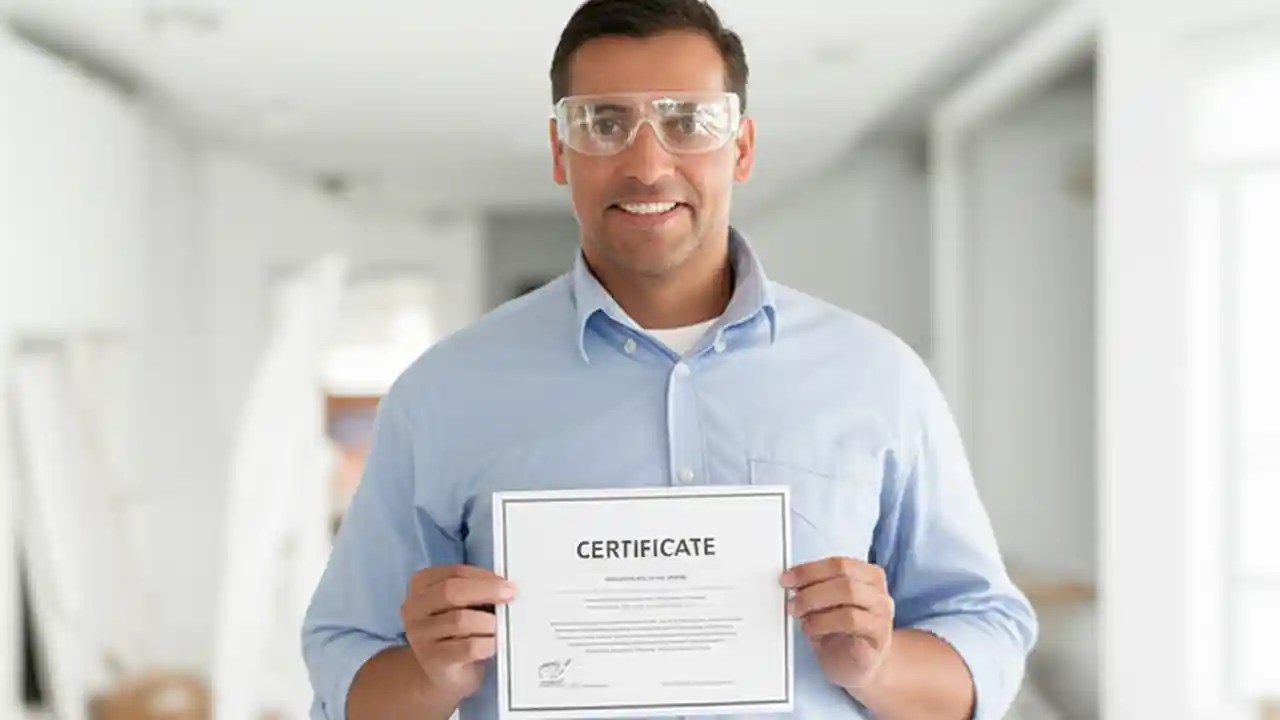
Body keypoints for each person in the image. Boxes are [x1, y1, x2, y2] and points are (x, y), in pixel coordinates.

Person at [301, 0, 1038, 718]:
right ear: (562, 153)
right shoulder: (444, 395)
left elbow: (987, 639)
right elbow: (344, 664)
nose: (648, 165)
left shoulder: (880, 379)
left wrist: (879, 667)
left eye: (688, 121)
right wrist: (432, 678)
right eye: (604, 123)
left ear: (741, 147)